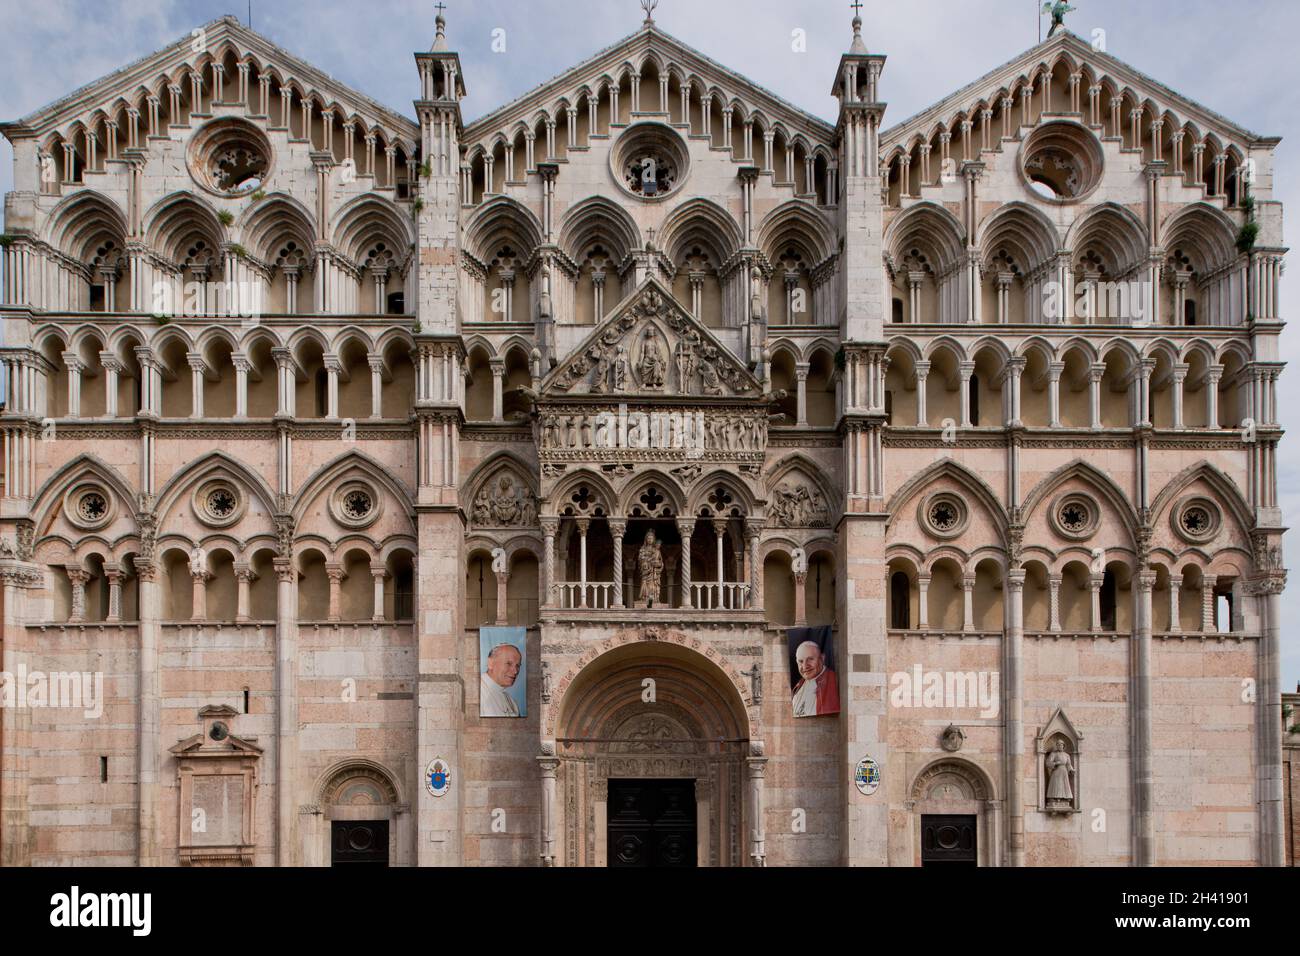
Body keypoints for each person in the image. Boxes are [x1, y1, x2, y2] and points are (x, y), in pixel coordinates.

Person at [791, 640, 839, 717]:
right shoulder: (799, 685)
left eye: (810, 659)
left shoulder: (835, 680)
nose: (804, 666)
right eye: (800, 661)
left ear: (822, 658)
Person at [481, 643, 522, 717]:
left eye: (518, 666)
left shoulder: (512, 703)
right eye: (508, 664)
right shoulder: (477, 692)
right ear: (490, 663)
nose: (515, 671)